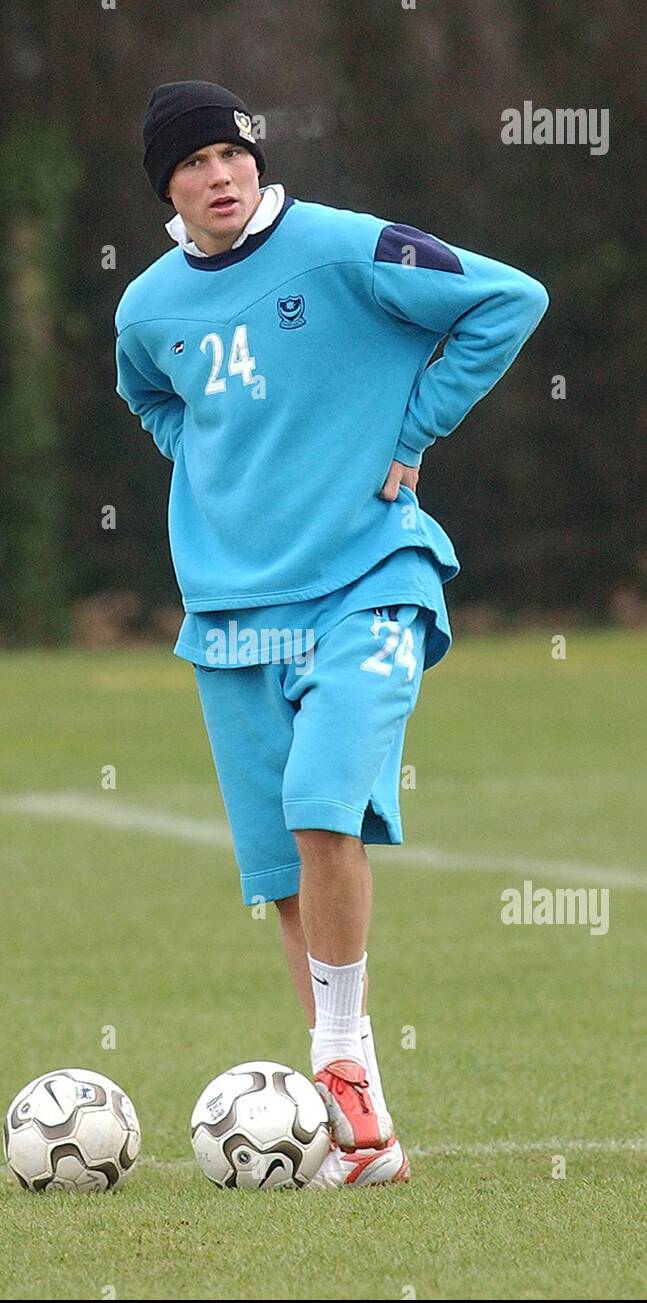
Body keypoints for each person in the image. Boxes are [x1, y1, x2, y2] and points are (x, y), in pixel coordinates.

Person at [114, 80, 549, 1189]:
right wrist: (216, 460)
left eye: (233, 152)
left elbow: (509, 300)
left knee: (322, 801)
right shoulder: (147, 309)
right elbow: (152, 400)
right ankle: (367, 1138)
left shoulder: (341, 248)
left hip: (370, 579)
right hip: (229, 614)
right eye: (195, 161)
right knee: (285, 876)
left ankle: (339, 1055)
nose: (221, 174)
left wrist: (414, 428)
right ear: (162, 185)